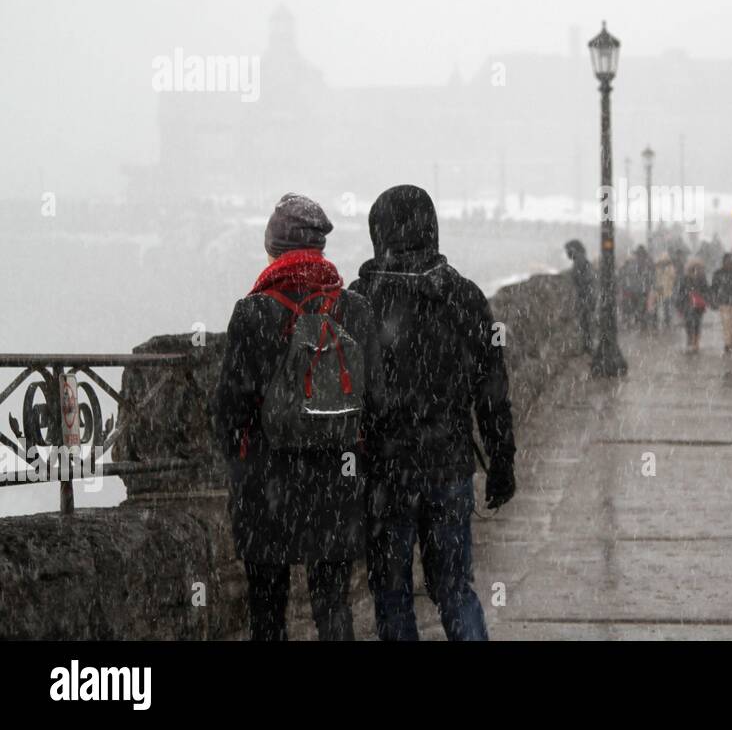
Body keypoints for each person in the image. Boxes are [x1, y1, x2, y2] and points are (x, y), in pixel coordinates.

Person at [209, 193, 385, 641]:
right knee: (333, 604)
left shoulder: (253, 312)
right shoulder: (355, 309)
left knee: (266, 608)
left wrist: (240, 463)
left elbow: (230, 405)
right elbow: (376, 401)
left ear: (273, 251)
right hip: (336, 479)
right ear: (320, 250)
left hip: (267, 482)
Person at [351, 185, 516, 641]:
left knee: (391, 593)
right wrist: (502, 460)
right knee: (455, 589)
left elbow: (345, 397)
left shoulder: (360, 300)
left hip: (387, 473)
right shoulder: (465, 297)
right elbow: (492, 391)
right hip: (449, 466)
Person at [565, 239, 596, 353]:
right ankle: (587, 346)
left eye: (567, 250)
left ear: (573, 250)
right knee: (586, 322)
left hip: (585, 296)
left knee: (585, 322)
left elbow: (580, 279)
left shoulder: (579, 260)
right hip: (588, 295)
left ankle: (587, 347)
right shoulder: (582, 259)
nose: (567, 253)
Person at [676, 258, 711, 352]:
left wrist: (704, 297)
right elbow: (680, 291)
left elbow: (706, 290)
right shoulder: (684, 278)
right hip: (687, 303)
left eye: (697, 267)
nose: (696, 269)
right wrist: (680, 303)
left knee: (697, 323)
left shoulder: (702, 277)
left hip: (698, 305)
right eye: (694, 267)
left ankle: (695, 341)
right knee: (688, 323)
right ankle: (690, 338)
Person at [655, 253, 678, 329]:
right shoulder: (658, 268)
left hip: (668, 290)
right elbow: (656, 278)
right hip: (660, 289)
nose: (664, 262)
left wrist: (666, 272)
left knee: (667, 306)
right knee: (660, 305)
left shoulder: (670, 268)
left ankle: (667, 320)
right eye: (663, 261)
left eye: (665, 261)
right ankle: (661, 320)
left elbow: (673, 277)